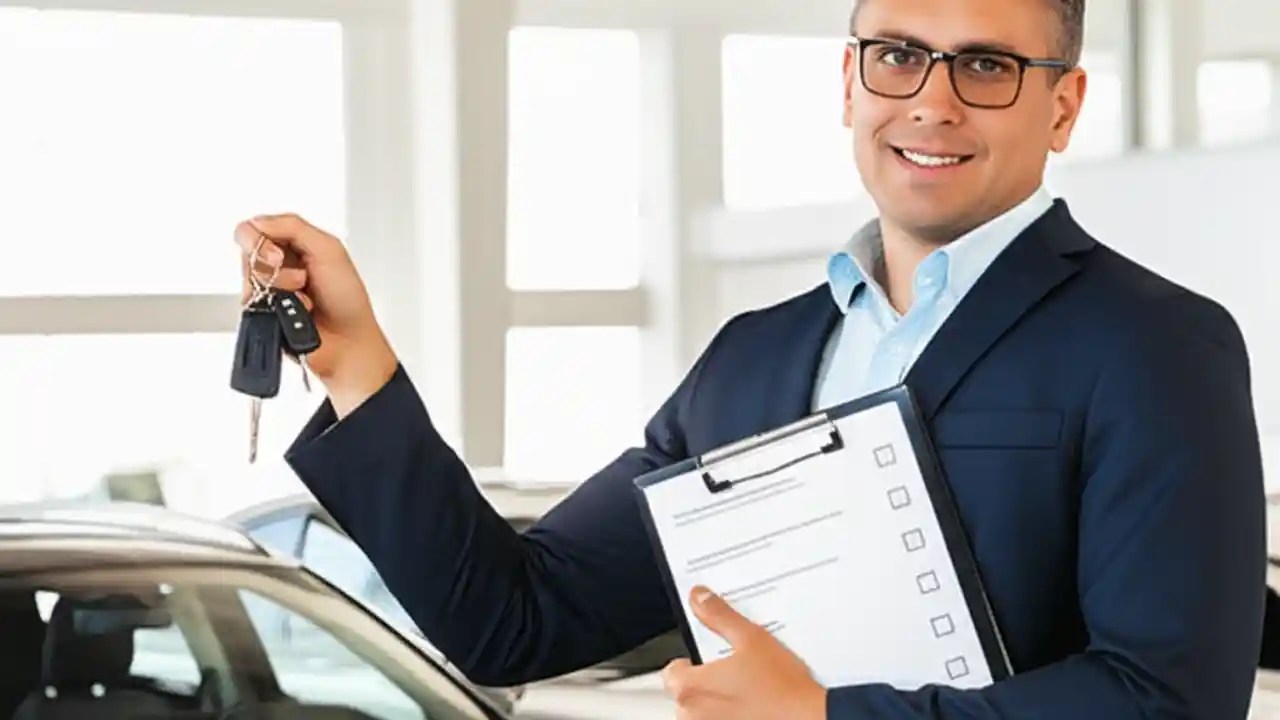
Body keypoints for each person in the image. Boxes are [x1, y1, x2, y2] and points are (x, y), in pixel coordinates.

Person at [232, 0, 1268, 716]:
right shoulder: (752, 359)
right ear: (850, 82)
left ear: (1063, 105)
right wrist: (355, 363)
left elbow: (1166, 697)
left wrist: (826, 717)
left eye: (986, 66)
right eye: (896, 54)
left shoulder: (1152, 344)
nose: (931, 101)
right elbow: (513, 621)